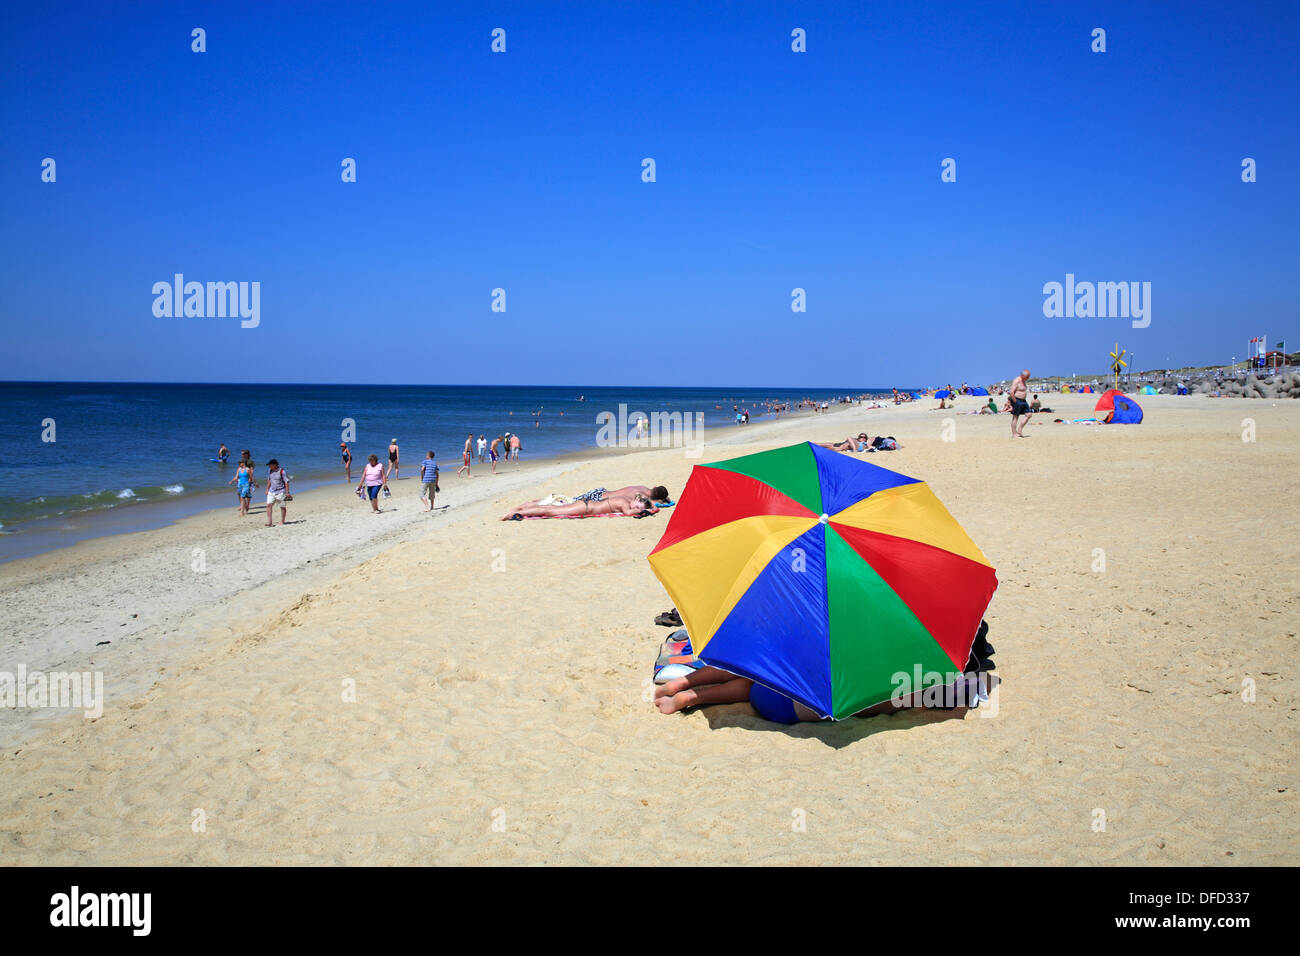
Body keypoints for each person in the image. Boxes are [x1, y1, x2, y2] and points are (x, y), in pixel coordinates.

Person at [501, 491, 655, 520]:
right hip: (585, 508)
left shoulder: (625, 499)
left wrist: (649, 507)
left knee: (551, 509)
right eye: (638, 506)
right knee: (550, 512)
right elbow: (628, 513)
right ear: (638, 500)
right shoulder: (624, 503)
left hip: (586, 504)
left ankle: (522, 509)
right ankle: (514, 512)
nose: (636, 509)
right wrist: (649, 511)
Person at [265, 459, 290, 527]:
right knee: (268, 505)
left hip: (281, 491)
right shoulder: (270, 471)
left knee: (282, 507)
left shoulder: (282, 471)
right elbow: (269, 480)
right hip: (271, 491)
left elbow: (286, 482)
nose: (269, 466)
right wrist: (267, 489)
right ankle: (270, 522)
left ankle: (282, 521)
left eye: (270, 465)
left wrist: (287, 492)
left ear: (275, 465)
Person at [1008, 368, 1032, 438]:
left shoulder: (1024, 381)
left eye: (1028, 377)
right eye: (1027, 377)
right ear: (1022, 375)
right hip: (1017, 400)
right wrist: (1015, 401)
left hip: (1023, 401)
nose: (1028, 378)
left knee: (1029, 414)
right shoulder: (1017, 380)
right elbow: (1011, 392)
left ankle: (1020, 428)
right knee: (1015, 417)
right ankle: (1014, 433)